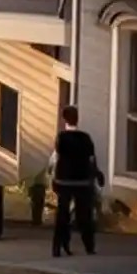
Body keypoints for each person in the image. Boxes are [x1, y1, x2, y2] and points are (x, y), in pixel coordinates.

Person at [49, 106, 103, 257]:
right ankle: (89, 246)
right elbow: (92, 159)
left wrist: (53, 177)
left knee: (62, 214)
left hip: (64, 180)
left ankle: (59, 245)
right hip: (82, 180)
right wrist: (96, 174)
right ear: (77, 118)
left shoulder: (61, 138)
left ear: (64, 119)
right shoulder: (85, 138)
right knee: (84, 214)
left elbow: (56, 159)